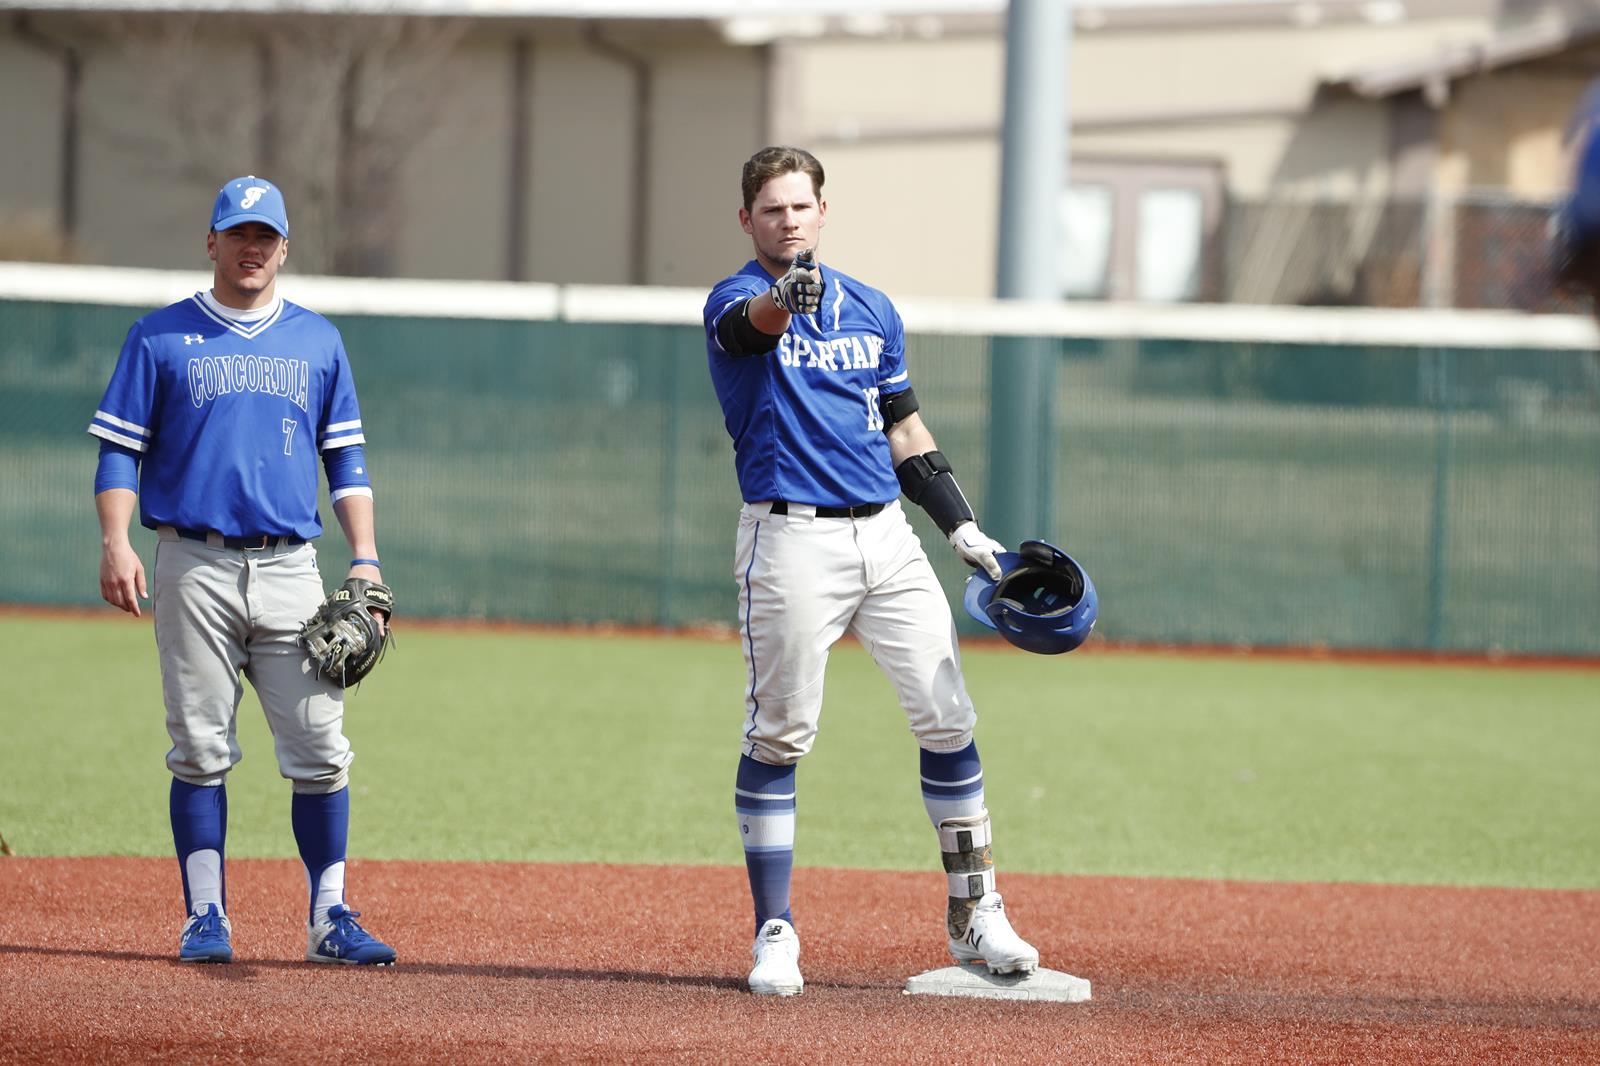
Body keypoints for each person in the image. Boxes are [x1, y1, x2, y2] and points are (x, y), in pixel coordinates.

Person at [703, 146, 1041, 996]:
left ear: (823, 212)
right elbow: (751, 330)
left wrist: (962, 528)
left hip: (886, 536)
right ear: (748, 220)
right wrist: (784, 297)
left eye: (800, 206)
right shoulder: (735, 298)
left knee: (947, 713)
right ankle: (774, 931)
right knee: (780, 732)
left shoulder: (873, 310)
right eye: (771, 209)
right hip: (790, 539)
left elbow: (906, 433)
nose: (788, 220)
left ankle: (976, 912)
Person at [89, 176, 396, 966]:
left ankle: (329, 917)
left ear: (285, 248)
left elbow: (347, 459)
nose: (251, 247)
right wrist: (116, 540)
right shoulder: (160, 336)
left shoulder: (318, 340)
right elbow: (118, 448)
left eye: (266, 236)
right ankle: (205, 917)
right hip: (191, 561)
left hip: (292, 565)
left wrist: (364, 555)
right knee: (198, 749)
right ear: (212, 241)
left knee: (322, 749)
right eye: (238, 233)